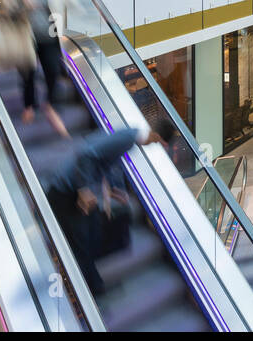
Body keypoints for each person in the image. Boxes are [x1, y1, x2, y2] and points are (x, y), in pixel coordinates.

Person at [43, 119, 176, 294]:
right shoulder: (128, 139)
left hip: (71, 189)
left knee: (89, 235)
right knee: (81, 241)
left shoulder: (131, 137)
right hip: (64, 190)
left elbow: (100, 158)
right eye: (160, 143)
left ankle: (90, 286)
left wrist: (112, 190)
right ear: (159, 139)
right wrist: (85, 189)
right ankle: (87, 293)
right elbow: (86, 153)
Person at [3, 0, 73, 130]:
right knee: (28, 72)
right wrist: (22, 6)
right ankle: (29, 106)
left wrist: (91, 11)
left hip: (48, 32)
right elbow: (8, 10)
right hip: (26, 35)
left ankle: (49, 103)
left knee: (53, 69)